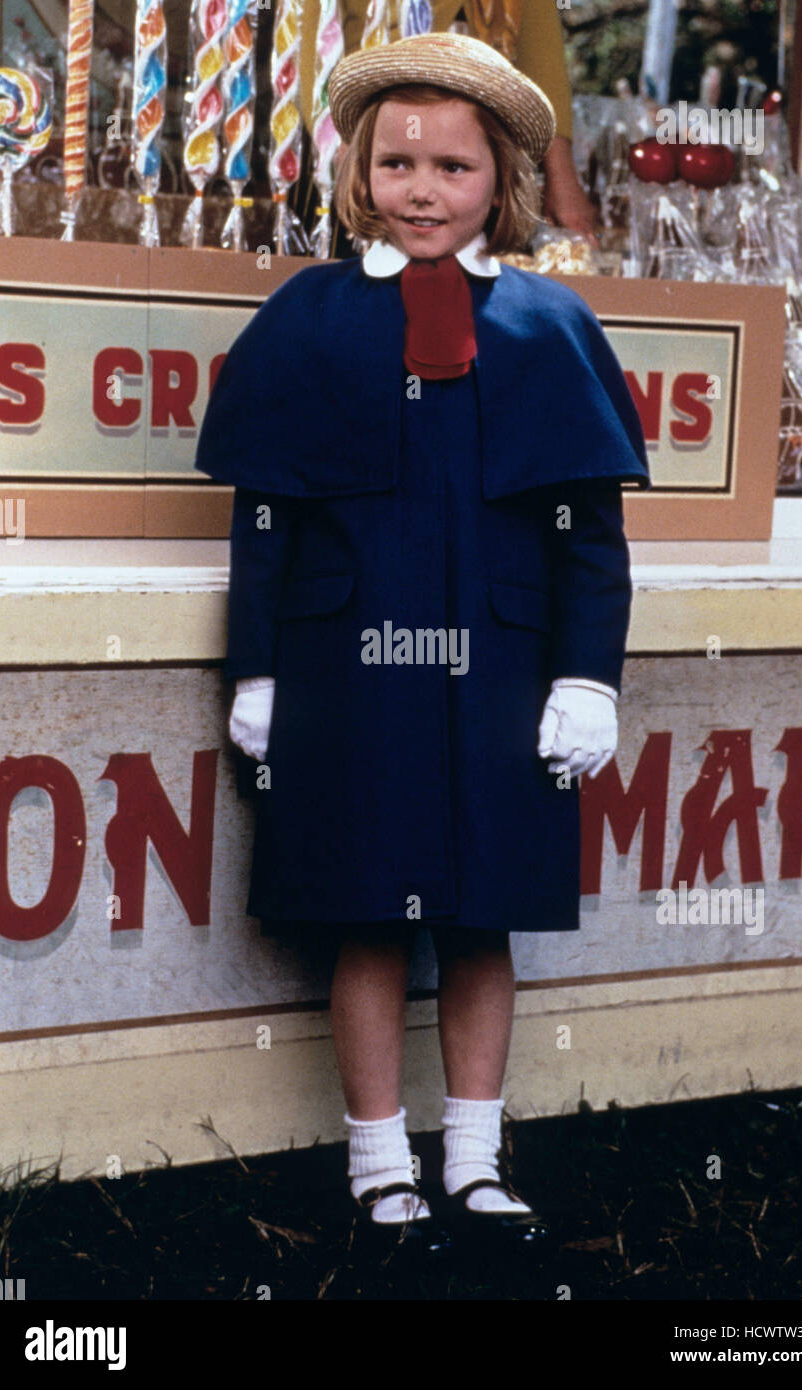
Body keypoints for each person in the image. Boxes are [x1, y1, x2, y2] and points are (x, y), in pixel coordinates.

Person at [195, 32, 650, 1256]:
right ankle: (378, 1158)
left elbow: (589, 540)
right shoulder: (307, 320)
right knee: (367, 915)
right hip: (347, 671)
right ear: (360, 172)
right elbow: (267, 520)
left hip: (503, 677)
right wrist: (259, 671)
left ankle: (476, 1159)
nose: (421, 186)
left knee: (482, 916)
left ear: (496, 178)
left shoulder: (550, 327)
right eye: (396, 160)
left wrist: (584, 677)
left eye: (451, 165)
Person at [295, 0, 598, 252]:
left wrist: (563, 177)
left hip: (477, 121)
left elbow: (539, 44)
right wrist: (345, 151)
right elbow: (313, 44)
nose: (422, 192)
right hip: (370, 122)